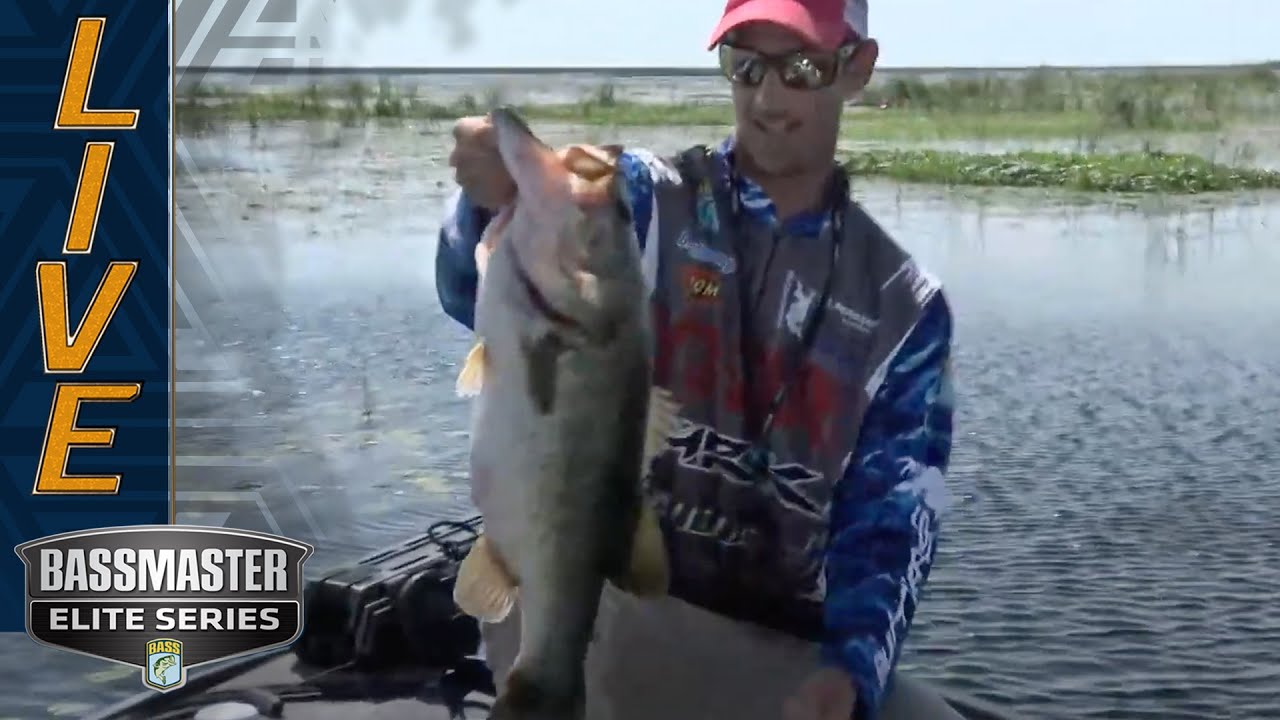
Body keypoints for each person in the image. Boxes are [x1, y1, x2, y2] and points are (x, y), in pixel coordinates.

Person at [435, 0, 960, 718]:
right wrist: (481, 196)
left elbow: (890, 526)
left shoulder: (907, 311)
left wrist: (851, 673)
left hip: (774, 644)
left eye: (802, 69)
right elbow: (470, 283)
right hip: (605, 601)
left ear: (856, 70)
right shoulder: (645, 199)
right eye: (745, 66)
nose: (769, 100)